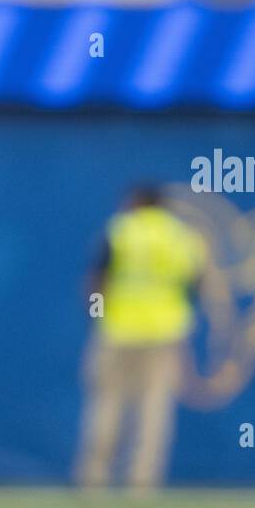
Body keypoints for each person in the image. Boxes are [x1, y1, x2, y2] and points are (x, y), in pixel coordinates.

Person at [75, 187, 207, 492]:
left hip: (118, 329)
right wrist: (181, 317)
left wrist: (95, 312)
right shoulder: (183, 236)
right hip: (165, 333)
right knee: (154, 409)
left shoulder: (122, 230)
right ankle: (142, 482)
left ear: (136, 202)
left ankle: (94, 480)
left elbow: (98, 278)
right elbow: (197, 284)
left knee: (106, 405)